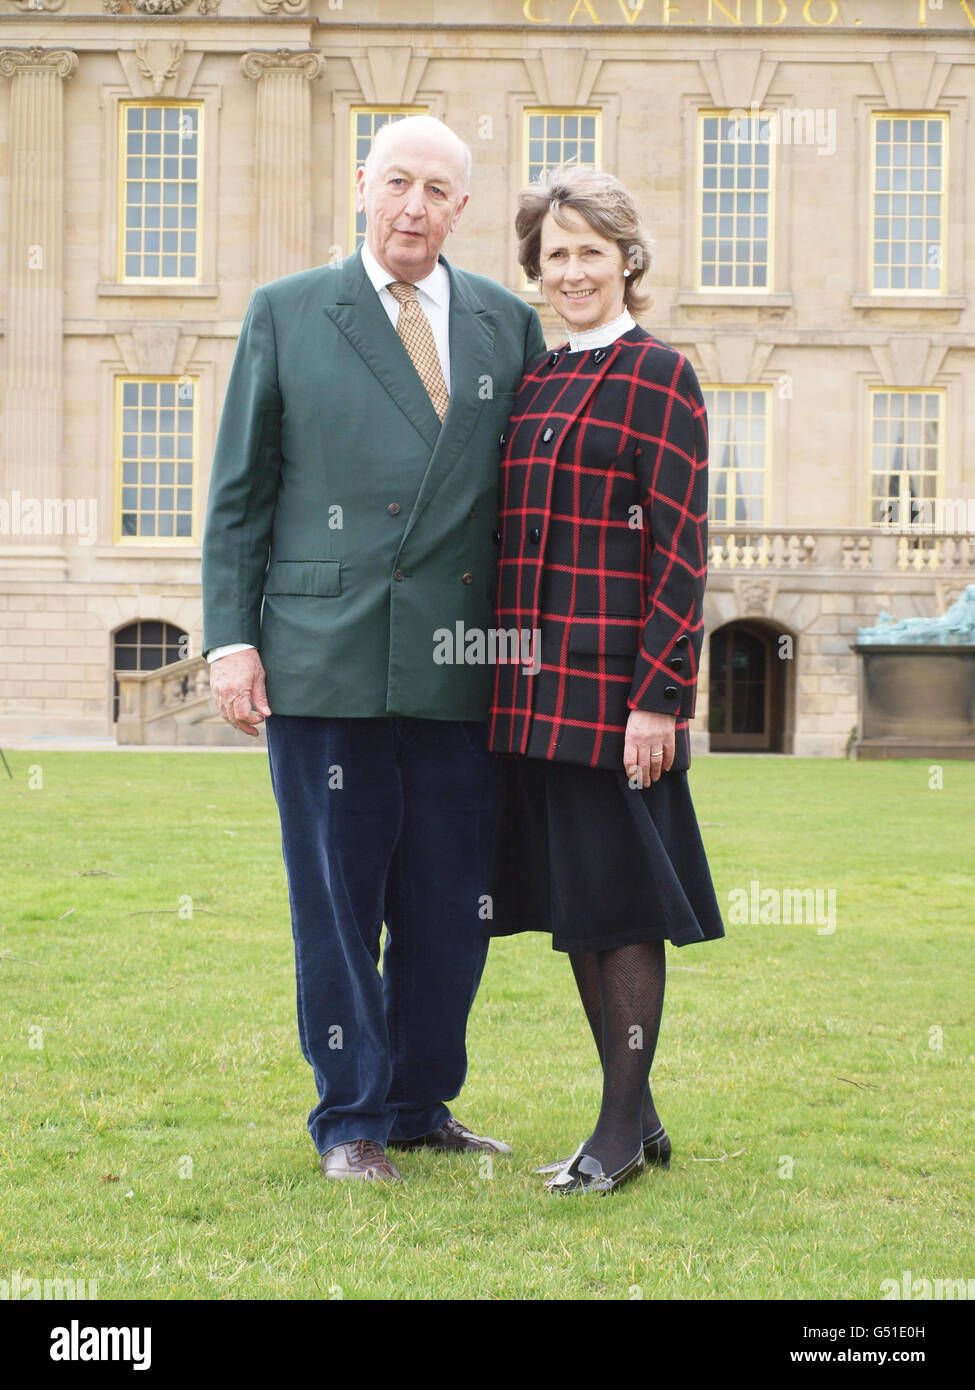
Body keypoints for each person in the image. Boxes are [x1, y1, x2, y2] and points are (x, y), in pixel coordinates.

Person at [201, 115, 547, 1182]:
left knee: (454, 908)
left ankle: (417, 1101)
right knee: (338, 903)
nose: (413, 206)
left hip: (461, 661)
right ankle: (350, 1119)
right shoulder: (289, 312)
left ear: (463, 209)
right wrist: (229, 641)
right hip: (323, 660)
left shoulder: (505, 323)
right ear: (362, 183)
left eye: (437, 190)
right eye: (397, 181)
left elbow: (526, 504)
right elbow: (240, 497)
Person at [487, 163, 725, 1195]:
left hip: (615, 696)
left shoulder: (660, 374)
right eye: (556, 254)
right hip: (530, 693)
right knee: (580, 907)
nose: (573, 270)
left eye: (592, 250)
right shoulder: (535, 378)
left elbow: (682, 550)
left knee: (622, 908)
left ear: (627, 259)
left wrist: (658, 698)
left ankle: (618, 1131)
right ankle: (642, 1113)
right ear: (536, 269)